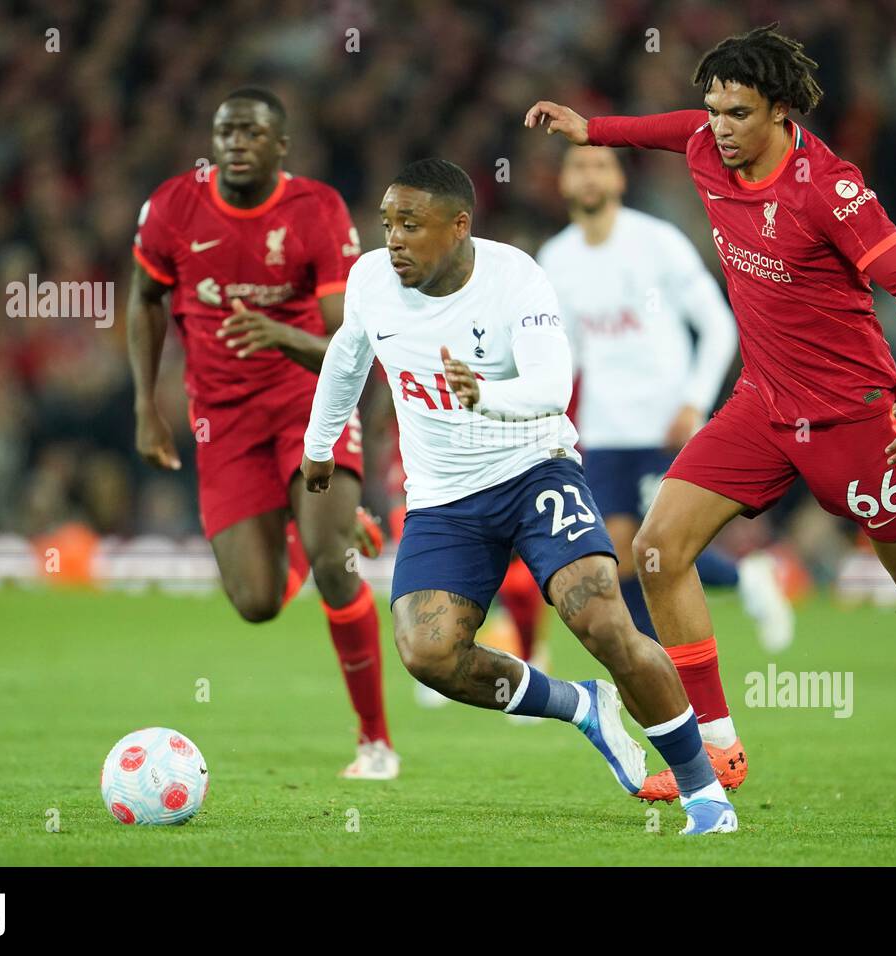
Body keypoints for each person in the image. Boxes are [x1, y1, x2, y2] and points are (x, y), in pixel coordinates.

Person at [524, 23, 896, 820]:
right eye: (713, 111)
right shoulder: (705, 145)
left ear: (780, 110)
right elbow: (665, 130)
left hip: (855, 420)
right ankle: (716, 746)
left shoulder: (829, 190)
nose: (718, 128)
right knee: (659, 551)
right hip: (763, 406)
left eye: (736, 113)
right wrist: (590, 128)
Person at [302, 158, 738, 834]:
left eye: (409, 225)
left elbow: (552, 385)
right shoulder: (370, 282)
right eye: (387, 223)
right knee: (429, 655)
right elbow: (348, 356)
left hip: (535, 470)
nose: (391, 239)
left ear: (458, 226)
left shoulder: (516, 278)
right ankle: (579, 707)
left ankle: (703, 790)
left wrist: (487, 394)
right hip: (444, 498)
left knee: (601, 620)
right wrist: (319, 444)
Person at [127, 88, 396, 780]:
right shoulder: (171, 209)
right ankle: (329, 527)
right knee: (255, 604)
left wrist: (280, 333)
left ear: (281, 146)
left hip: (311, 402)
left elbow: (349, 342)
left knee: (334, 568)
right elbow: (144, 298)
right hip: (221, 419)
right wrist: (144, 404)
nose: (236, 142)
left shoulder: (318, 211)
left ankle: (375, 743)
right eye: (225, 131)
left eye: (252, 131)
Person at [539, 143, 794, 663]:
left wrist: (694, 402)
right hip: (605, 430)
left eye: (600, 166)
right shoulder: (555, 259)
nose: (589, 176)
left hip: (665, 423)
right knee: (619, 554)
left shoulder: (657, 242)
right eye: (578, 167)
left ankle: (707, 619)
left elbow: (719, 324)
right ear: (563, 183)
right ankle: (660, 661)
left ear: (619, 180)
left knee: (654, 547)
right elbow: (565, 351)